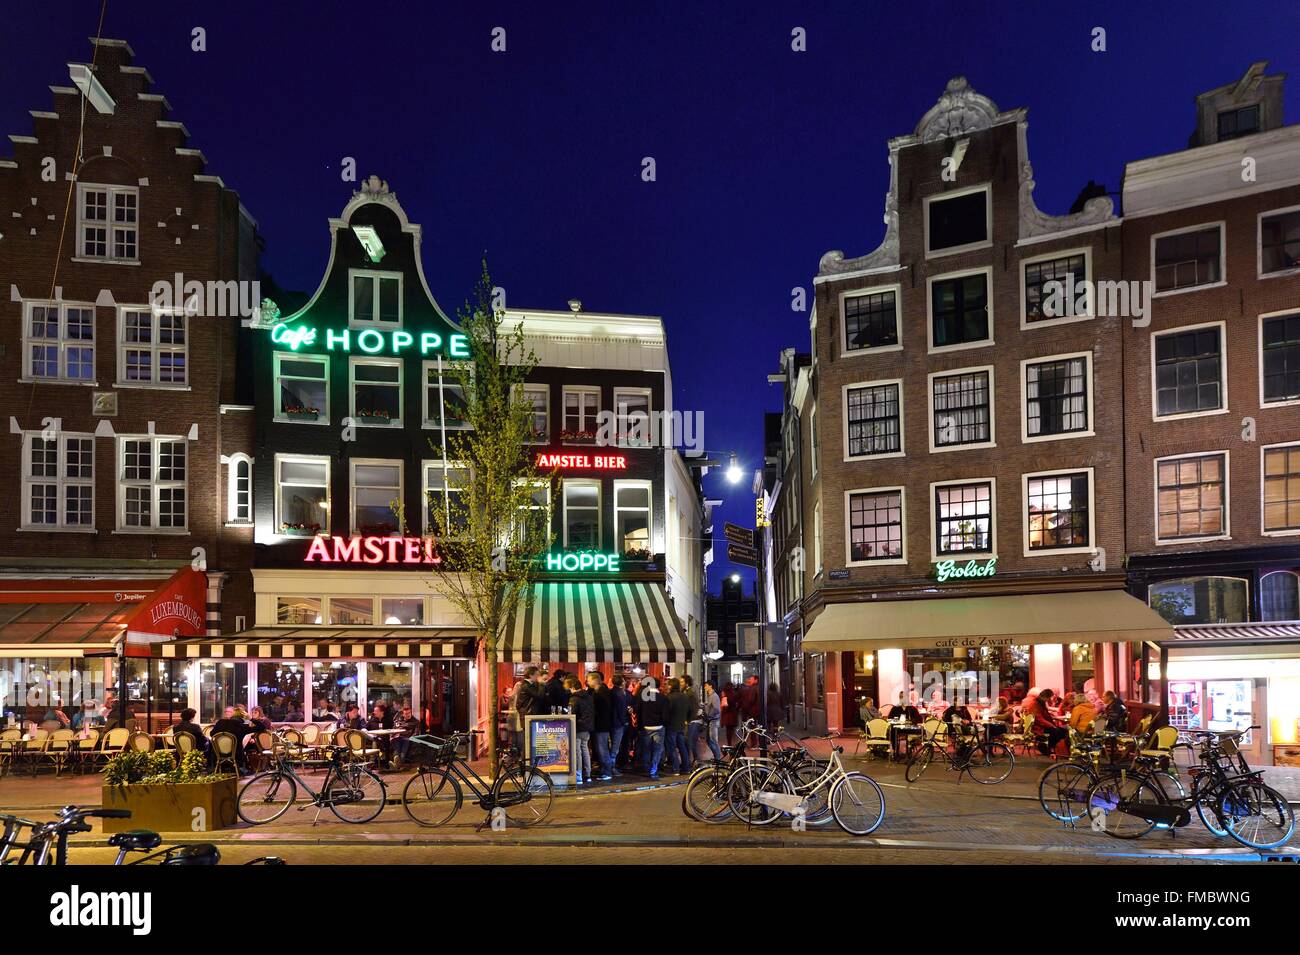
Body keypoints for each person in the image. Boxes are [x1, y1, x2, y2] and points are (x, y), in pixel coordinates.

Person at [633, 676, 669, 778]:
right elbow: (665, 715)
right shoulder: (663, 698)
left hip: (646, 727)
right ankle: (653, 769)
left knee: (646, 748)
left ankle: (645, 767)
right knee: (657, 749)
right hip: (658, 727)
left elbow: (638, 713)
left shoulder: (643, 697)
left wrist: (639, 727)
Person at [511, 667, 548, 755]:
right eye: (537, 675)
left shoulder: (529, 684)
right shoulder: (526, 685)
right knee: (528, 739)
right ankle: (525, 761)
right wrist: (542, 684)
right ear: (531, 675)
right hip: (528, 715)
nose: (538, 677)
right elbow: (538, 696)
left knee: (529, 738)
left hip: (528, 715)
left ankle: (526, 760)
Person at [587, 670, 615, 781]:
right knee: (601, 749)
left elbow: (602, 711)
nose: (587, 682)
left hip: (601, 726)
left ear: (594, 680)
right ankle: (605, 771)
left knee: (602, 749)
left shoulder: (602, 693)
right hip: (601, 725)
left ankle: (607, 772)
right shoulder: (600, 691)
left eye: (589, 680)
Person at [566, 676, 594, 785]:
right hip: (587, 728)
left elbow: (571, 713)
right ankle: (588, 774)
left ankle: (579, 776)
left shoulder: (574, 698)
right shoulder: (588, 696)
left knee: (577, 752)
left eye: (569, 688)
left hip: (578, 727)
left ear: (573, 687)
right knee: (585, 749)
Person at [211, 705, 254, 772]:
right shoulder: (242, 726)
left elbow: (212, 734)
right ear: (243, 717)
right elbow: (261, 727)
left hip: (219, 752)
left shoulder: (220, 722)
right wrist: (251, 718)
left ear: (233, 714)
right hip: (235, 754)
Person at [1026, 689, 1068, 757]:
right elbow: (1038, 718)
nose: (1049, 700)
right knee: (1057, 732)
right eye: (1049, 698)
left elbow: (1044, 715)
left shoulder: (1040, 703)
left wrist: (1052, 719)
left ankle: (1049, 746)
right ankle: (1045, 746)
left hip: (1043, 725)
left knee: (1063, 731)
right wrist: (1051, 725)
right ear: (1046, 697)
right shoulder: (1035, 704)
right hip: (1038, 728)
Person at [665, 678, 693, 775]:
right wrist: (687, 720)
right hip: (681, 725)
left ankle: (675, 768)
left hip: (671, 726)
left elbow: (666, 713)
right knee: (682, 747)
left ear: (671, 686)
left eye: (668, 685)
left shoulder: (669, 697)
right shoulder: (685, 696)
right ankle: (686, 768)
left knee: (671, 747)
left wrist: (666, 722)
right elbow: (690, 710)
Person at [609, 674, 632, 774]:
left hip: (611, 723)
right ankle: (611, 768)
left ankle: (610, 766)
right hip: (618, 724)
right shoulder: (620, 694)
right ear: (622, 682)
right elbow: (621, 711)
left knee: (613, 746)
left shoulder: (611, 692)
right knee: (615, 748)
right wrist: (625, 722)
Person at [698, 679, 723, 763]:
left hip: (713, 721)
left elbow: (716, 709)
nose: (705, 687)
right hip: (711, 721)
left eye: (706, 685)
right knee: (709, 741)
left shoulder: (714, 696)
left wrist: (708, 716)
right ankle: (716, 757)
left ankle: (718, 758)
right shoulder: (710, 696)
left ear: (710, 686)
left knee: (713, 740)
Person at [390, 702, 422, 767]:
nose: (407, 715)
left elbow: (416, 732)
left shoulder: (415, 721)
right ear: (403, 714)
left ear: (411, 713)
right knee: (395, 741)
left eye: (409, 713)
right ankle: (397, 762)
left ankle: (396, 763)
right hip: (397, 737)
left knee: (404, 742)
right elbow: (393, 729)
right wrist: (391, 736)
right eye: (406, 714)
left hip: (407, 738)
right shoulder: (399, 720)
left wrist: (411, 738)